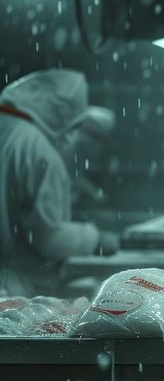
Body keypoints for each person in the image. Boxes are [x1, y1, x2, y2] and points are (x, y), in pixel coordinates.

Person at [0, 69, 119, 296]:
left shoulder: (9, 131)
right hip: (12, 287)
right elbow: (48, 238)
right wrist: (94, 239)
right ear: (63, 112)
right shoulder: (37, 150)